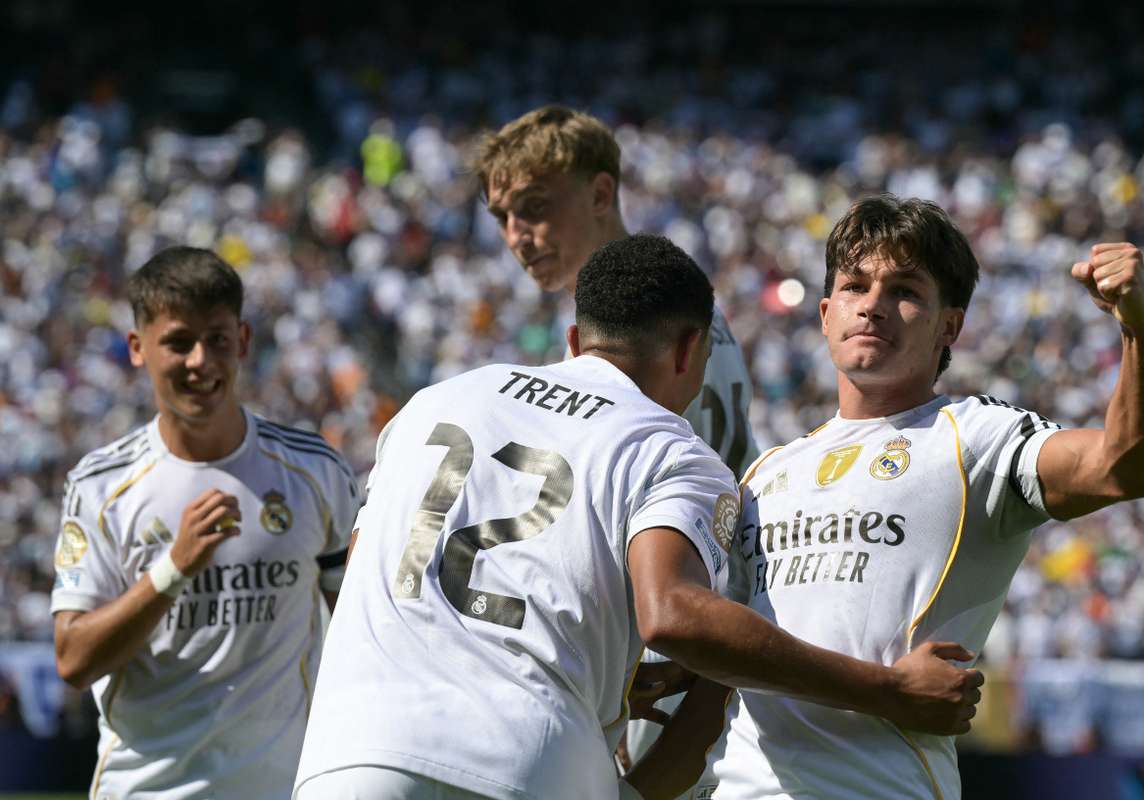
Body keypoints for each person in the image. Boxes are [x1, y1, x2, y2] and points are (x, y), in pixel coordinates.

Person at [292, 234, 983, 800]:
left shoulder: (434, 402)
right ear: (690, 350)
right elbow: (674, 615)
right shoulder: (670, 448)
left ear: (574, 335)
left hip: (351, 754)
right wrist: (889, 688)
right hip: (527, 762)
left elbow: (366, 571)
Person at [629, 195, 1144, 800]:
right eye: (856, 286)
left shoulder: (978, 436)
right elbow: (723, 683)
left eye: (905, 290)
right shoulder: (764, 475)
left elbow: (1125, 468)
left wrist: (1138, 330)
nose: (873, 307)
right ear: (827, 312)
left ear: (950, 326)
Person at [475, 104, 760, 779]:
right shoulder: (659, 318)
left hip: (658, 677)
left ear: (602, 193)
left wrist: (650, 680)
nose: (518, 235)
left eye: (536, 207)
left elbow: (685, 534)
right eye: (502, 218)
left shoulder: (663, 339)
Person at [50, 247, 361, 800]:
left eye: (217, 339)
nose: (200, 361)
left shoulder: (315, 471)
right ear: (137, 349)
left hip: (284, 788)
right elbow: (73, 659)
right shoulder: (101, 486)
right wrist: (172, 570)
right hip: (147, 789)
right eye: (178, 342)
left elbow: (360, 631)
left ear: (242, 341)